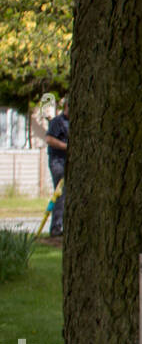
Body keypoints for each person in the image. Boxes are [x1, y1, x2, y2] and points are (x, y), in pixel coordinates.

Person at [44, 95, 69, 237]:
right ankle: (56, 227)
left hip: (69, 162)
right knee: (61, 193)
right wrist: (66, 146)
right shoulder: (57, 122)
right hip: (58, 162)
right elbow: (49, 139)